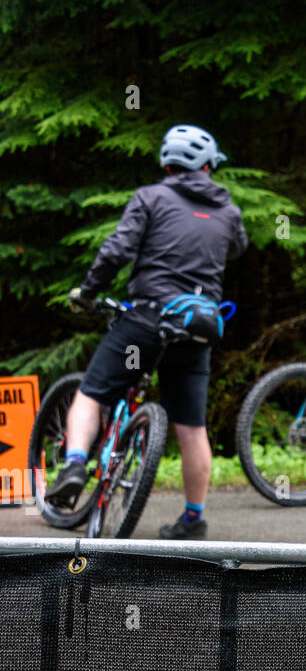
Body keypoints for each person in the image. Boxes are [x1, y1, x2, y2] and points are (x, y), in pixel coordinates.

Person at [45, 124, 248, 540]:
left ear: (168, 164)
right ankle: (193, 518)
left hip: (148, 318)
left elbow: (117, 249)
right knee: (191, 427)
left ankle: (75, 464)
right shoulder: (228, 211)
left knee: (91, 392)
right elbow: (237, 248)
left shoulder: (151, 197)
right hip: (197, 327)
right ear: (208, 165)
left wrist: (89, 290)